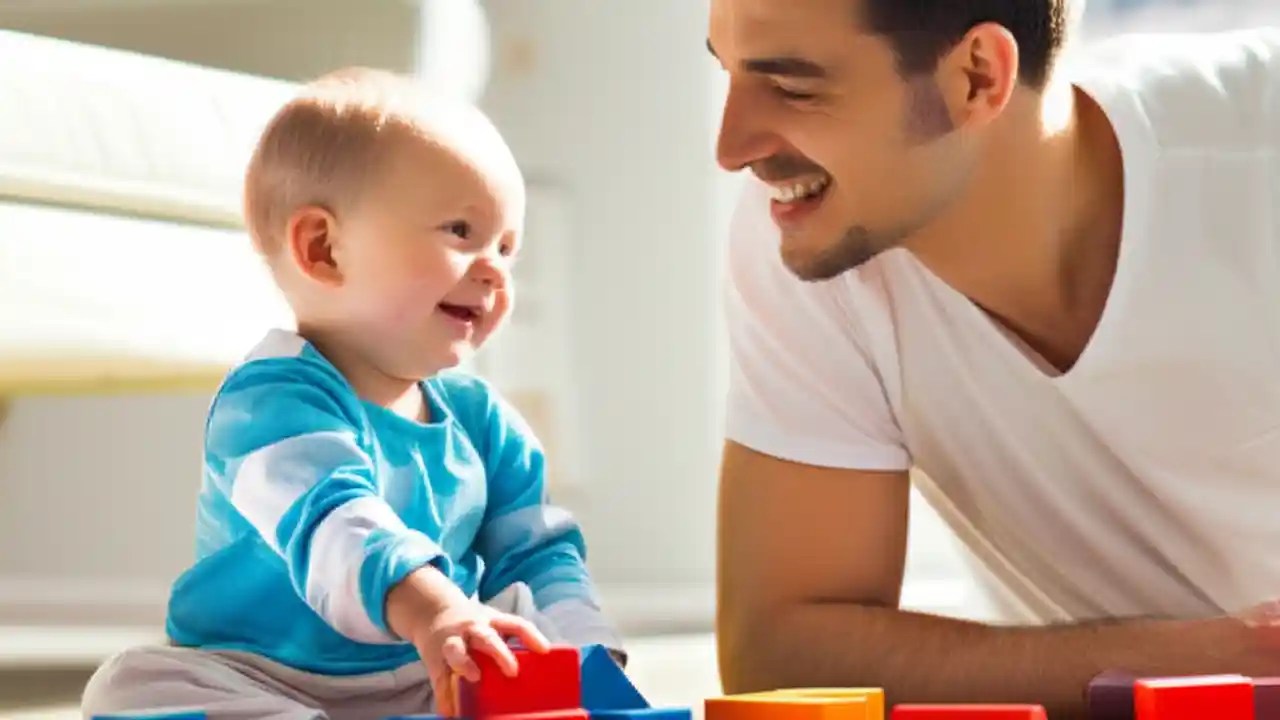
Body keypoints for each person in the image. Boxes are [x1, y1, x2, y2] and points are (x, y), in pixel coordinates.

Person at [708, 0, 1280, 716]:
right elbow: (781, 657)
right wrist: (1214, 663)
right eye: (727, 72)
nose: (730, 148)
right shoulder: (813, 242)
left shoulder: (1258, 163)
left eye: (792, 87)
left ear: (977, 77)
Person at [81, 68, 621, 720]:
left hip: (435, 669)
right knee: (132, 686)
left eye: (507, 248)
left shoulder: (484, 423)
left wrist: (590, 664)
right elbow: (336, 523)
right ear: (323, 248)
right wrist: (436, 610)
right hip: (268, 674)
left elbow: (537, 551)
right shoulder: (269, 404)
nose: (494, 272)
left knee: (521, 616)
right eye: (460, 231)